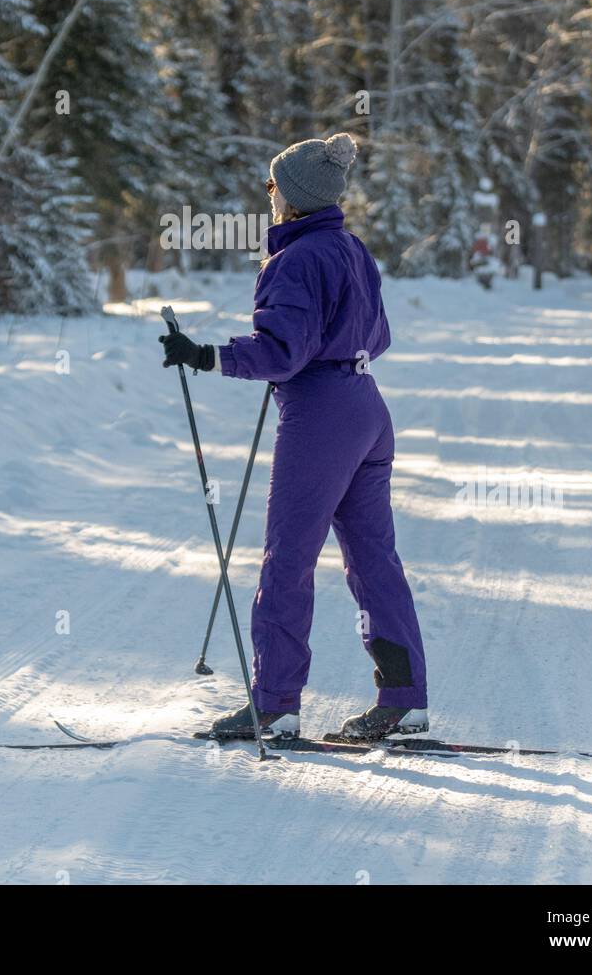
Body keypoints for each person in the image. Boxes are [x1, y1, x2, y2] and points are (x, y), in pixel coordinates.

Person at [159, 133, 428, 742]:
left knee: (289, 559)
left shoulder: (299, 258)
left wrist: (204, 355)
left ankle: (276, 704)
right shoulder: (352, 248)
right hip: (366, 406)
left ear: (294, 197)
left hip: (322, 416)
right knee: (373, 560)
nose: (268, 193)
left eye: (273, 185)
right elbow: (376, 334)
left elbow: (282, 350)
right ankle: (405, 701)